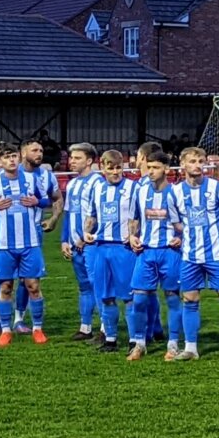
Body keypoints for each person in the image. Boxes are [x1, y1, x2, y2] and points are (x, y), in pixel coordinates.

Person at [0, 143, 53, 346]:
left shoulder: (33, 179)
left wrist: (37, 202)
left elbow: (45, 200)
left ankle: (37, 328)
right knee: (6, 286)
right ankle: (5, 330)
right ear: (0, 161)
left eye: (14, 156)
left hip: (30, 242)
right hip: (4, 243)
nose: (11, 160)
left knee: (33, 285)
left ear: (19, 157)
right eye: (6, 157)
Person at [170, 146, 219, 362]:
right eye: (192, 161)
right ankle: (191, 348)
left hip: (217, 254)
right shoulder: (175, 192)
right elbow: (177, 223)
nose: (197, 165)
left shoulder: (218, 189)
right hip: (190, 256)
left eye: (200, 161)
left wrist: (215, 238)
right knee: (189, 299)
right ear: (183, 164)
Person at [124, 144, 183, 362]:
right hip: (146, 252)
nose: (150, 172)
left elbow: (187, 221)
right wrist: (132, 236)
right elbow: (134, 217)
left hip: (170, 252)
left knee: (173, 299)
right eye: (148, 167)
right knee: (139, 299)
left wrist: (182, 238)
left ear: (166, 169)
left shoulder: (177, 192)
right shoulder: (139, 191)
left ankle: (173, 344)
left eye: (156, 167)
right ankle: (139, 343)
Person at [83, 150, 137, 351]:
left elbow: (136, 217)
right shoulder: (96, 188)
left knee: (129, 296)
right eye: (111, 168)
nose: (115, 172)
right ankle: (111, 339)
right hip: (101, 248)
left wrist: (133, 235)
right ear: (102, 167)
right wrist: (86, 232)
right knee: (105, 296)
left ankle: (135, 339)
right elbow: (92, 215)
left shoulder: (132, 187)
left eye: (118, 168)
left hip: (123, 249)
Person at [61, 143, 104, 343]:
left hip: (91, 244)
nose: (72, 161)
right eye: (72, 158)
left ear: (89, 161)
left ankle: (105, 329)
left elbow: (100, 215)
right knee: (84, 286)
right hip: (74, 244)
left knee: (97, 285)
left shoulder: (98, 183)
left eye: (77, 158)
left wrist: (85, 236)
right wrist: (64, 240)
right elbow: (68, 212)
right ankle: (85, 327)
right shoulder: (72, 184)